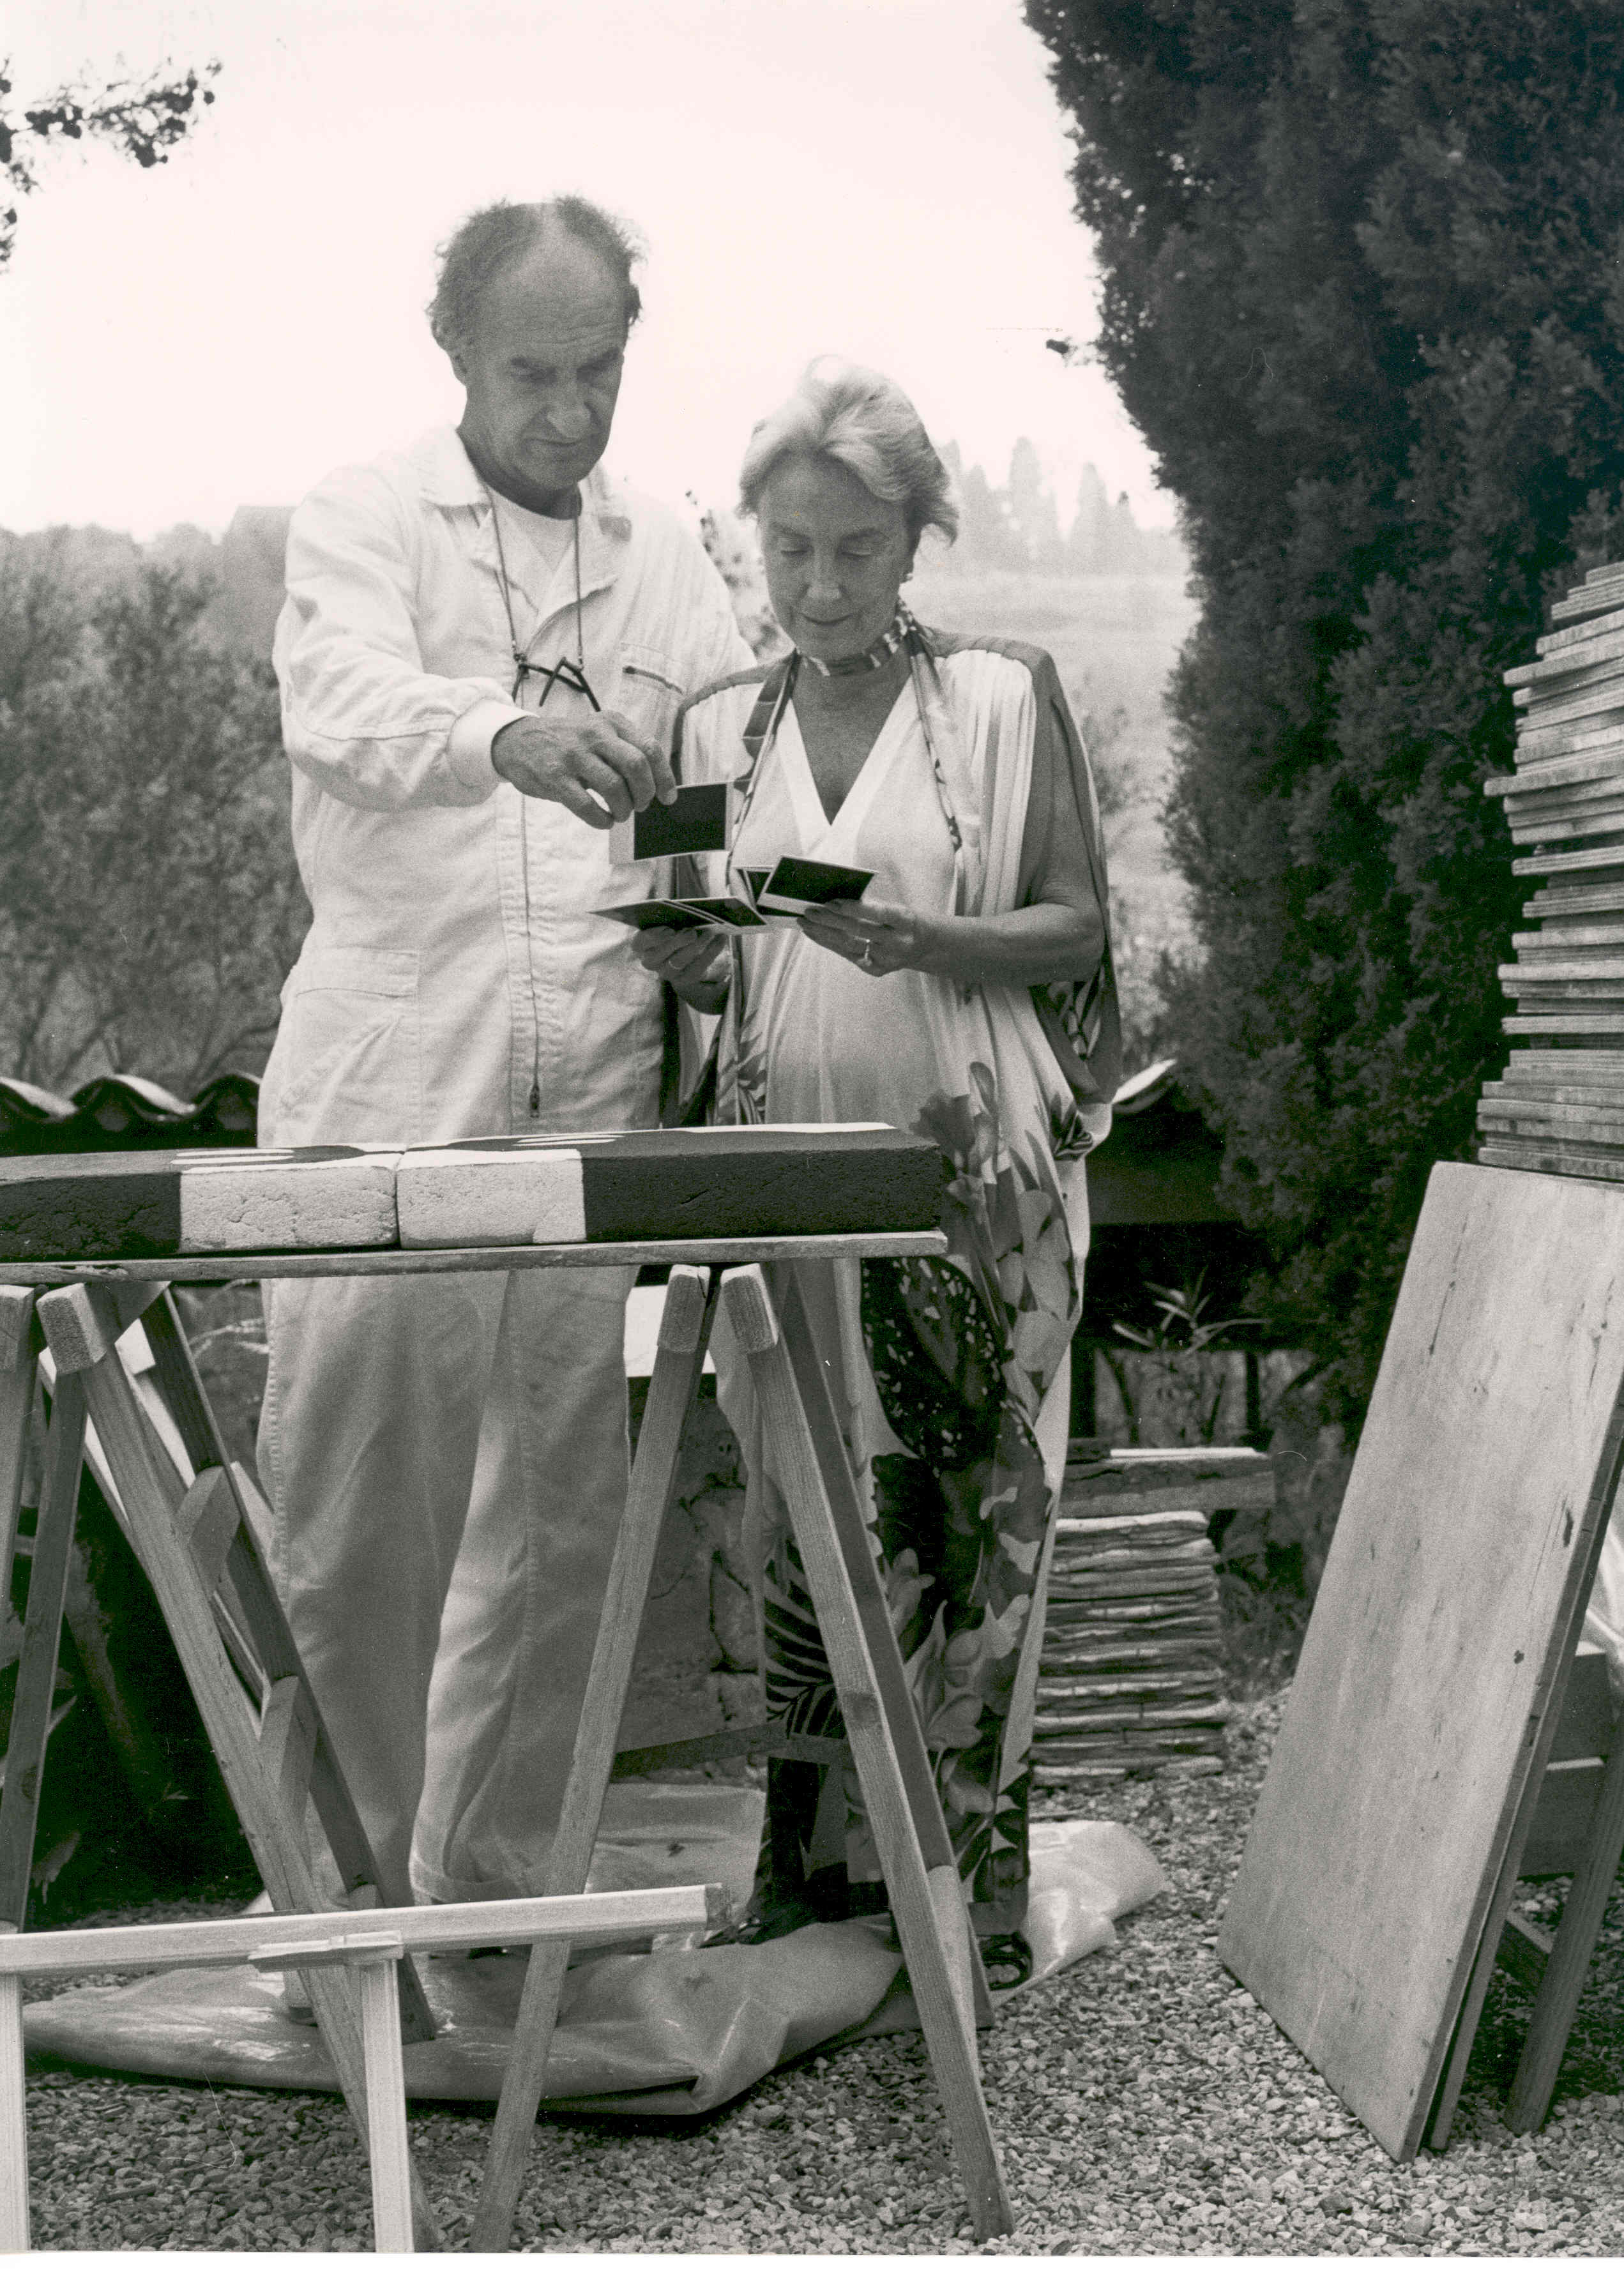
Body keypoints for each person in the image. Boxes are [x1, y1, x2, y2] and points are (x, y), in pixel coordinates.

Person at [255, 197, 753, 1903]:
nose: (568, 410)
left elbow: (709, 772)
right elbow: (337, 705)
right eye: (531, 372)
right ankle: (344, 1904)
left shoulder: (667, 552)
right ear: (456, 352)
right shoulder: (364, 517)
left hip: (586, 1092)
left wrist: (705, 928)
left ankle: (503, 1903)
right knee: (357, 1518)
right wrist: (506, 731)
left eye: (596, 370)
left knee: (555, 1527)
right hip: (393, 1077)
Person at [636, 361, 1120, 1982]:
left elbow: (1076, 922)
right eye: (790, 551)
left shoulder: (1002, 694)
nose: (823, 585)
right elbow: (695, 963)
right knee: (793, 1511)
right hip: (779, 1177)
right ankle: (809, 1859)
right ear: (753, 549)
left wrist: (927, 939)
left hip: (975, 1177)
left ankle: (974, 1885)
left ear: (914, 540)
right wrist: (690, 957)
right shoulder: (711, 724)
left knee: (976, 1512)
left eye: (856, 548)